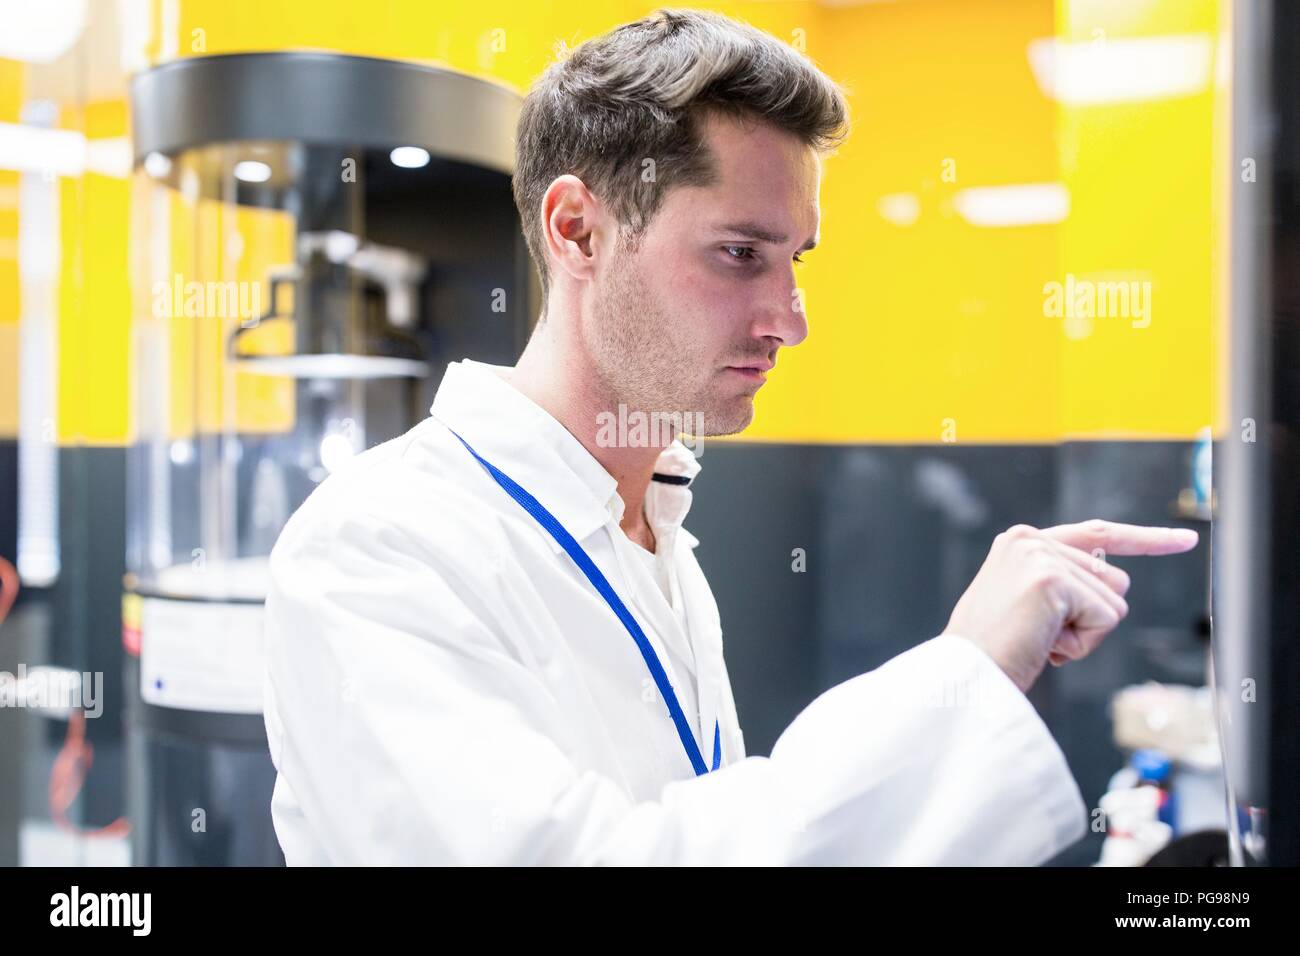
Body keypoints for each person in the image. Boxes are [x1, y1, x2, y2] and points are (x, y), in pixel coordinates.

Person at [261, 8, 1198, 865]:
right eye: (741, 254)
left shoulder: (653, 528)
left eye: (795, 262)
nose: (788, 321)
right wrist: (967, 672)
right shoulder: (376, 549)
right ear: (579, 231)